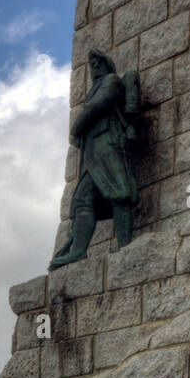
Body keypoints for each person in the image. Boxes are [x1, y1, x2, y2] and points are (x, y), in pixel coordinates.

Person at [49, 49, 140, 270]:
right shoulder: (96, 87)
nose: (95, 68)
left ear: (107, 66)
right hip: (93, 151)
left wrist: (76, 127)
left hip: (108, 144)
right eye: (92, 65)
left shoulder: (111, 81)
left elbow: (97, 106)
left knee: (119, 193)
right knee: (82, 199)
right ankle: (78, 251)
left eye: (99, 63)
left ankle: (125, 246)